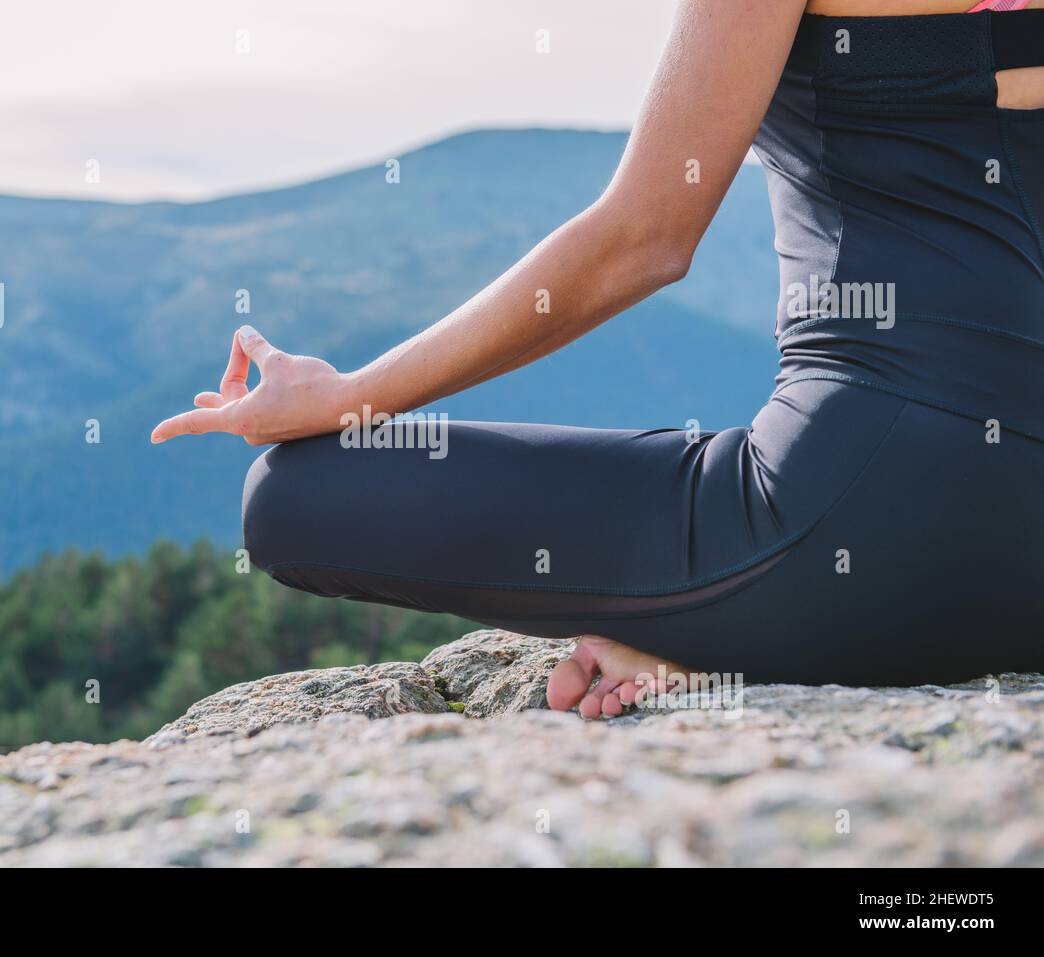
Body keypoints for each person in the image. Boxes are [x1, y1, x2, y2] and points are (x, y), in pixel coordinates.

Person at [152, 0, 1044, 716]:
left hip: (877, 510)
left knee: (292, 497)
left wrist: (351, 396)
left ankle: (739, 619)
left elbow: (644, 240)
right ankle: (734, 615)